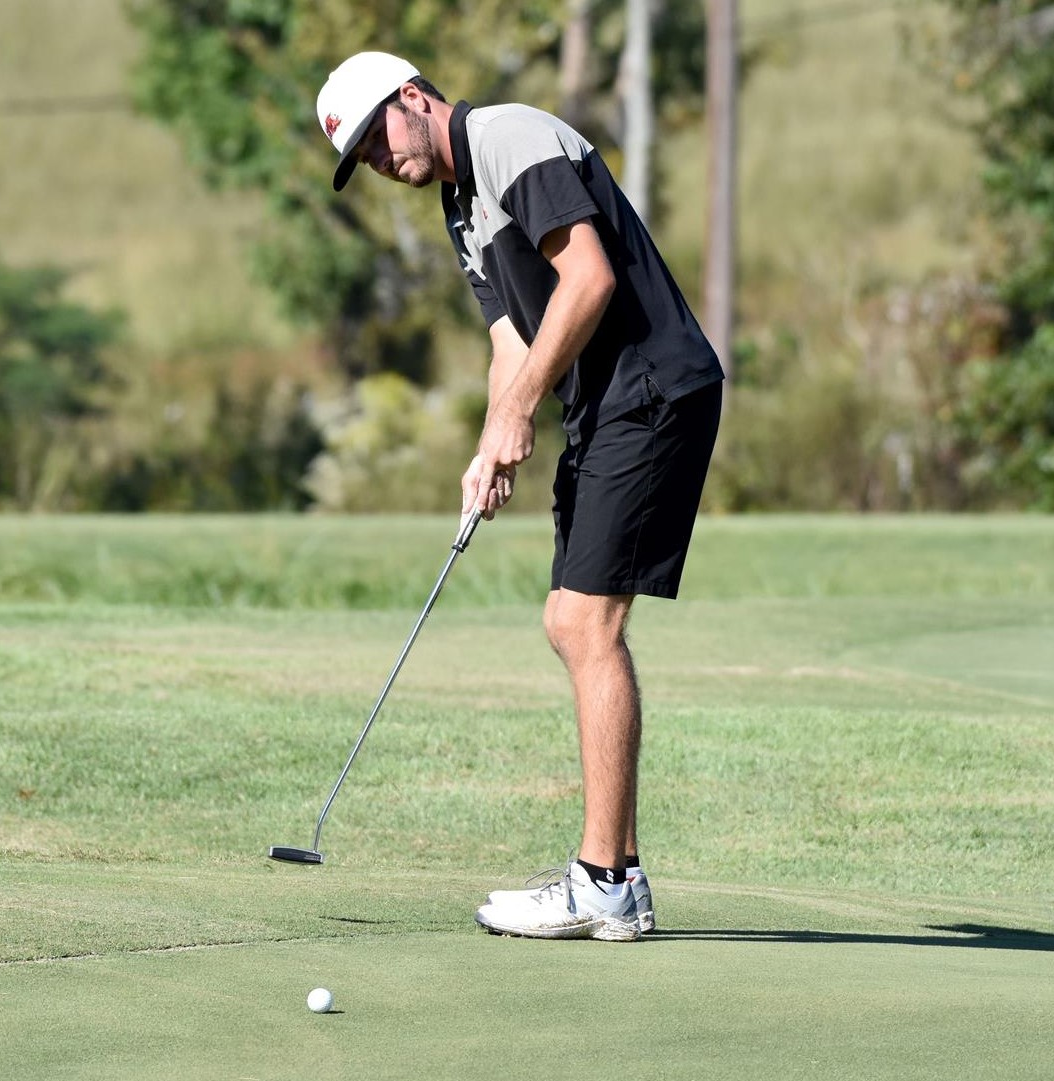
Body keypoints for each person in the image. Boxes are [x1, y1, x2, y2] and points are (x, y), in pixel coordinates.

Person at [316, 52, 725, 941]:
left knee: (585, 623)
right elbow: (510, 338)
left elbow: (590, 279)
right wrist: (490, 444)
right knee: (567, 621)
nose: (377, 161)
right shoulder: (459, 205)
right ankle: (618, 880)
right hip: (606, 405)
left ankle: (601, 880)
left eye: (376, 137)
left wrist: (520, 411)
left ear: (413, 96)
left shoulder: (508, 137)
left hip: (650, 389)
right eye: (361, 160)